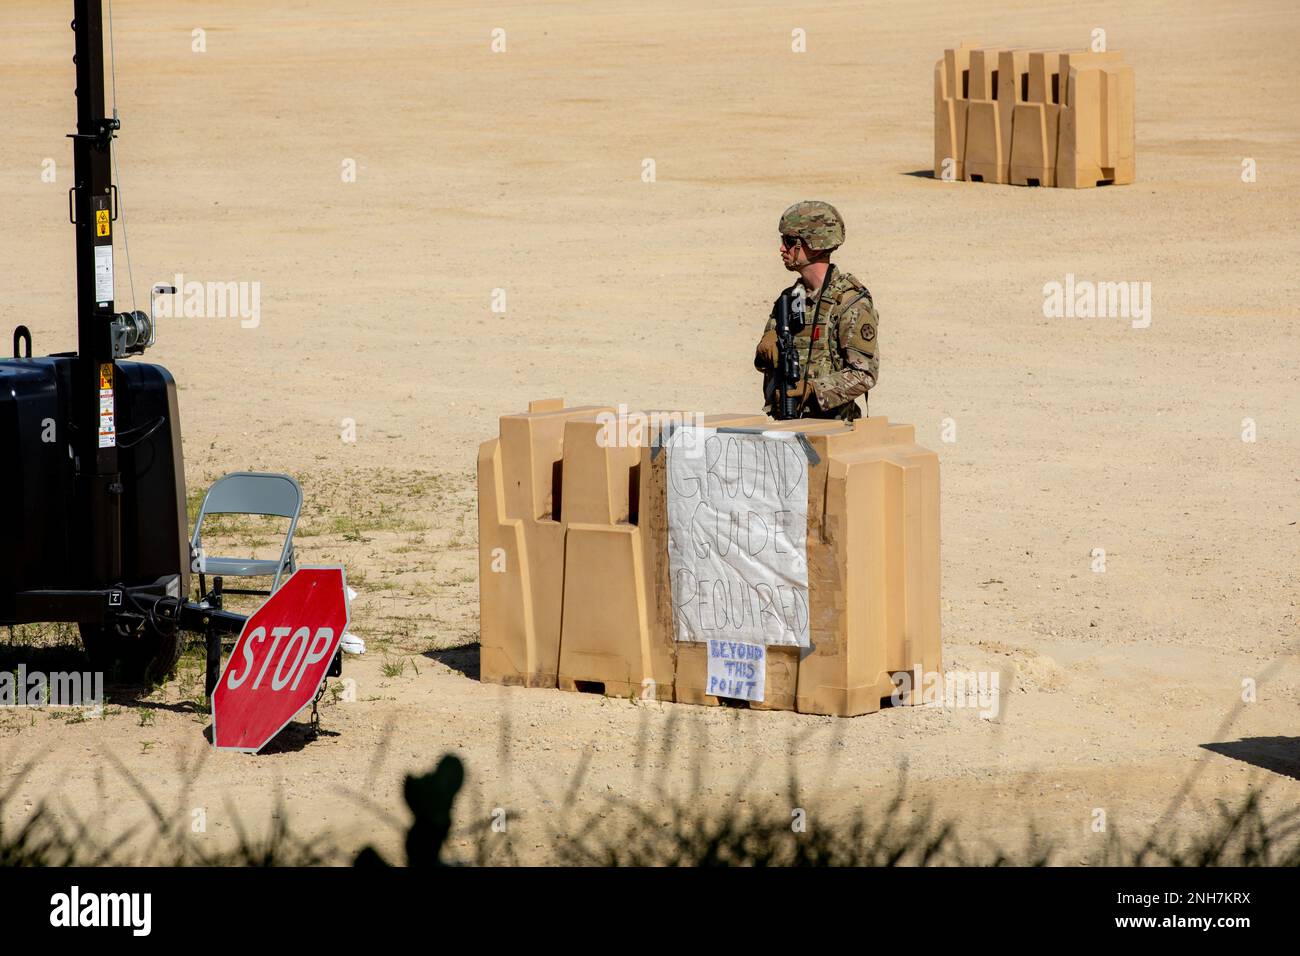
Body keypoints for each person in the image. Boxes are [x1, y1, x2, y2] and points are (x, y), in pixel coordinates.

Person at [754, 201, 879, 421]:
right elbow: (764, 364)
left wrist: (814, 390)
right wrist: (765, 347)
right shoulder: (789, 299)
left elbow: (865, 374)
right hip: (787, 423)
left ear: (814, 243)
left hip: (833, 428)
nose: (782, 248)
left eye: (790, 241)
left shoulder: (849, 303)